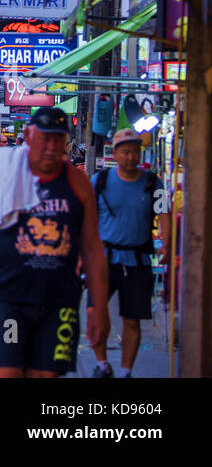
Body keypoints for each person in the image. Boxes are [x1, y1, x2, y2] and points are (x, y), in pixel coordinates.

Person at [0, 105, 109, 378]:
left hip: (59, 304)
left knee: (46, 376)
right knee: (6, 373)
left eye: (58, 139)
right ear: (29, 136)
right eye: (45, 139)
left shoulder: (78, 183)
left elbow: (92, 248)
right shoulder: (3, 175)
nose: (52, 147)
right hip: (9, 301)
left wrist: (98, 308)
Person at [89, 129, 172, 379]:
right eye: (125, 151)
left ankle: (125, 371)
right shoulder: (99, 182)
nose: (131, 156)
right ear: (115, 153)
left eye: (135, 150)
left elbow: (164, 216)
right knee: (95, 313)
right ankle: (102, 365)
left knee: (133, 320)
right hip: (104, 261)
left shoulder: (152, 182)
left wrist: (167, 244)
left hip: (138, 261)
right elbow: (87, 220)